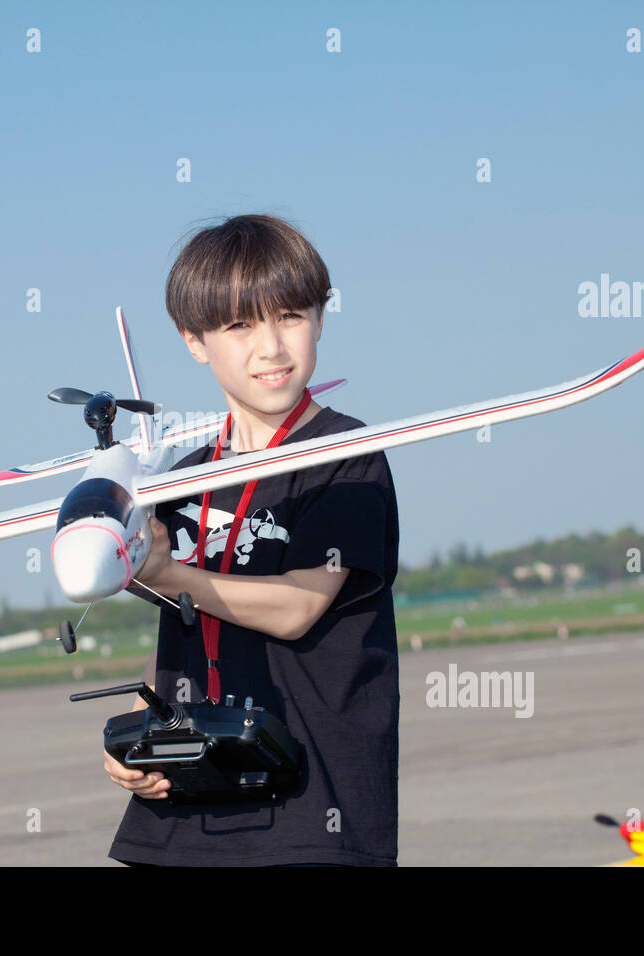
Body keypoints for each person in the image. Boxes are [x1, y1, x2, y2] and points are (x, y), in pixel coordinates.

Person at [105, 214, 400, 867]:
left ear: (321, 319)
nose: (272, 346)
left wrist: (167, 572)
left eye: (291, 316)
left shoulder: (345, 457)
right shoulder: (181, 480)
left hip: (312, 809)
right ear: (195, 341)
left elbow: (298, 609)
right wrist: (134, 738)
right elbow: (176, 630)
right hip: (183, 816)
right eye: (240, 325)